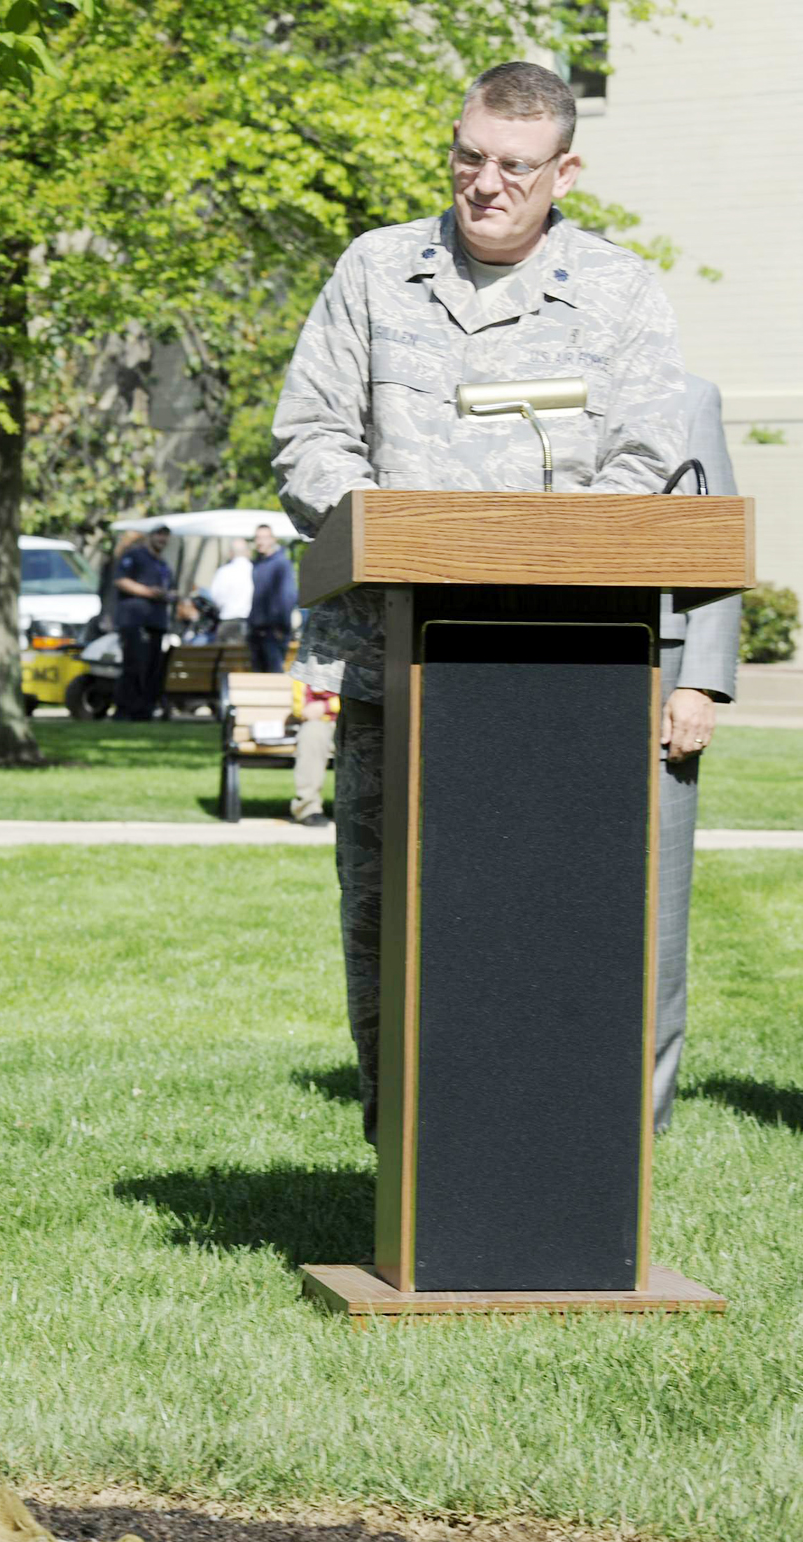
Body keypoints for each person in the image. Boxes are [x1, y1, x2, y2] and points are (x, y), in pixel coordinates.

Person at [272, 60, 685, 1139]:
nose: (484, 182)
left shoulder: (623, 290)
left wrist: (541, 543)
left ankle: (555, 1168)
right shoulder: (374, 271)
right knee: (389, 926)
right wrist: (387, 519)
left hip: (566, 681)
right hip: (390, 669)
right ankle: (405, 1167)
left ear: (566, 170)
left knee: (549, 931)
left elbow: (647, 463)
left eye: (513, 164)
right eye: (467, 156)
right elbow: (308, 440)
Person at [653, 375, 743, 1134]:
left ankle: (640, 1113)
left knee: (655, 910)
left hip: (657, 679)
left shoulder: (686, 396)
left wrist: (702, 684)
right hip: (511, 671)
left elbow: (714, 546)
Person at [110, 524, 174, 720]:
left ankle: (144, 711)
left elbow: (172, 589)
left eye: (165, 537)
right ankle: (124, 710)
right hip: (134, 619)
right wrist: (148, 592)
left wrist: (169, 594)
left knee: (152, 668)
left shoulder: (163, 565)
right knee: (134, 664)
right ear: (150, 536)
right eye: (158, 535)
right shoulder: (135, 556)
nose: (161, 540)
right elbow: (120, 581)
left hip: (157, 621)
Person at [245, 524, 296, 674]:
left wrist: (280, 627)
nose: (260, 542)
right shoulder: (257, 564)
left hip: (274, 633)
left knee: (275, 678)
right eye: (258, 538)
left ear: (273, 539)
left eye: (264, 537)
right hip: (256, 631)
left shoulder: (281, 564)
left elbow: (288, 596)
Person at [290, 681, 337, 829]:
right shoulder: (307, 665)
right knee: (311, 735)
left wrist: (327, 706)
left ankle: (363, 808)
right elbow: (300, 709)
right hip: (319, 723)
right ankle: (308, 809)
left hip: (355, 719)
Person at [208, 539, 253, 644]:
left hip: (228, 621)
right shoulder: (256, 570)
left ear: (231, 553)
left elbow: (215, 597)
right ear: (247, 552)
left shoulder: (223, 572)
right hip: (250, 622)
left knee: (226, 658)